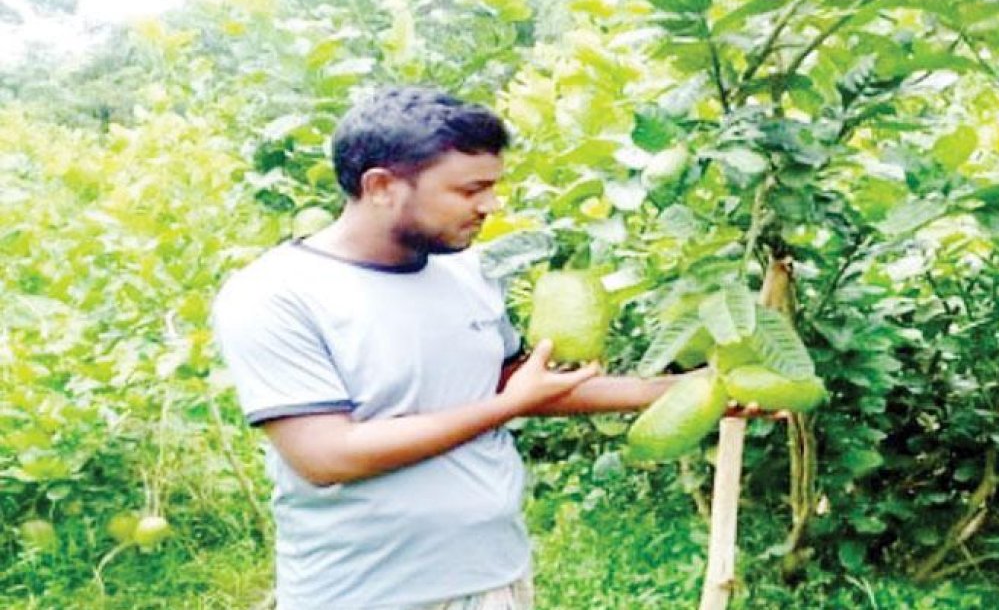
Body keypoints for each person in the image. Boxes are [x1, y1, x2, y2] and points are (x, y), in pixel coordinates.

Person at [211, 86, 676, 610]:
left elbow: (516, 383)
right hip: (368, 594)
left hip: (494, 579)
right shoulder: (275, 294)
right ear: (382, 186)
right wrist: (510, 406)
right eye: (469, 190)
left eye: (493, 186)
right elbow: (327, 455)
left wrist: (677, 390)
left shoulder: (469, 270)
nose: (489, 206)